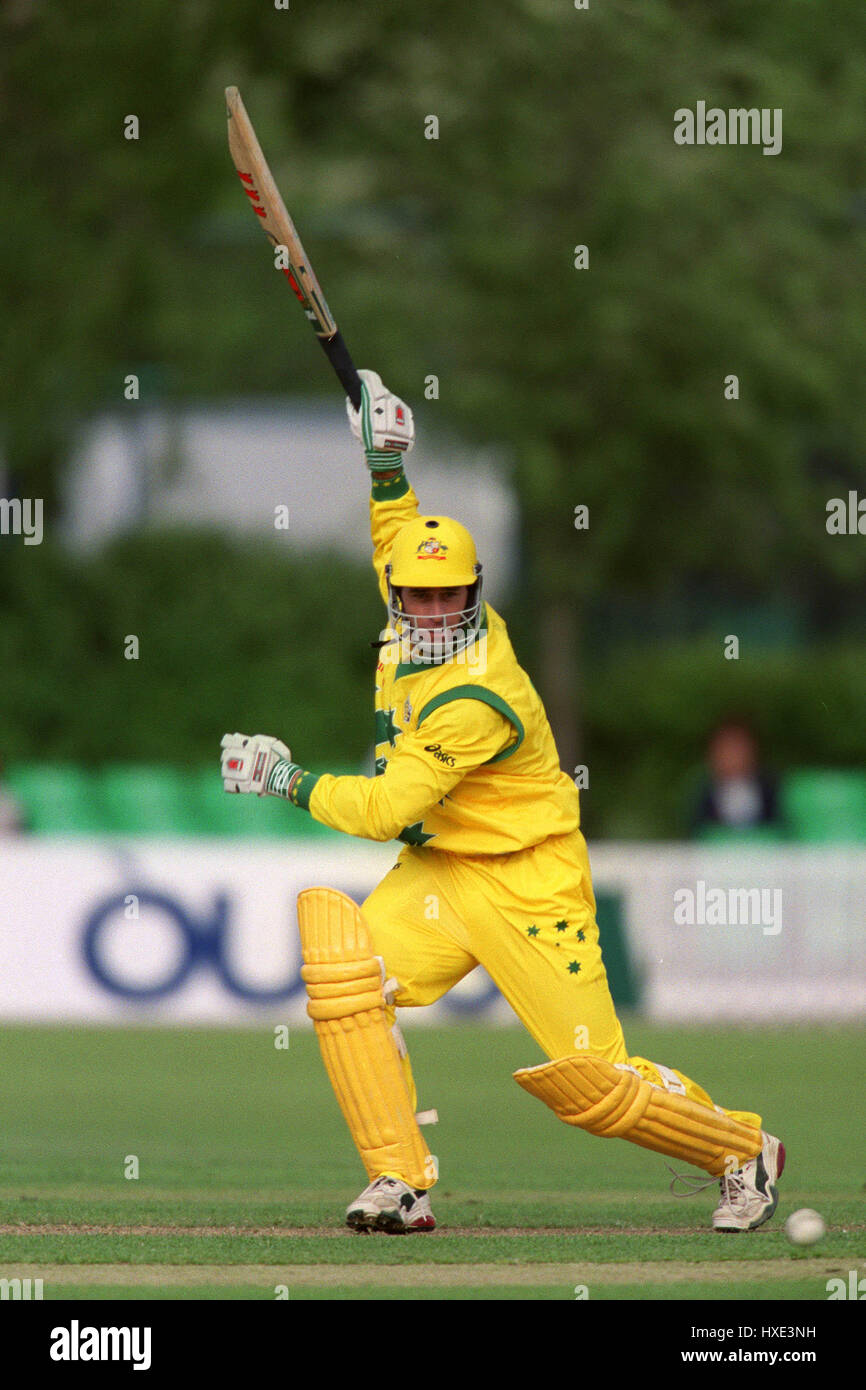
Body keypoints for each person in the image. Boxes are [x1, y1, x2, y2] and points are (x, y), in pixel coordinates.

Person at [220, 370, 784, 1235]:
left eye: (452, 595)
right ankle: (398, 1182)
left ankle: (740, 1148)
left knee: (591, 1087)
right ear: (397, 594)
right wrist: (384, 466)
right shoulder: (404, 597)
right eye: (419, 595)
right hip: (442, 873)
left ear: (475, 593)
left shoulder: (478, 696)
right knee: (345, 976)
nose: (436, 609)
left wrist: (284, 779)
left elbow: (380, 812)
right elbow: (400, 535)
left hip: (530, 882)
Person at [692, 718, 782, 835]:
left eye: (737, 748)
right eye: (725, 749)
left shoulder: (771, 786)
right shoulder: (702, 791)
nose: (732, 756)